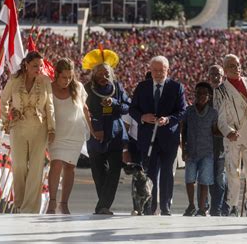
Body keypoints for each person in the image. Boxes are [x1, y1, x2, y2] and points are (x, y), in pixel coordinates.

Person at [129, 55, 187, 216]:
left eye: (161, 71)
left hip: (168, 137)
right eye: (154, 70)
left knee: (167, 173)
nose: (158, 73)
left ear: (167, 70)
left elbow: (183, 111)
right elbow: (132, 109)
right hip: (147, 138)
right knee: (150, 173)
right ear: (150, 70)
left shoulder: (176, 87)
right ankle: (149, 206)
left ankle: (166, 207)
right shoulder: (142, 87)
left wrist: (168, 119)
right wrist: (142, 117)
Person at [0, 51, 55, 213]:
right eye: (35, 66)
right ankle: (19, 203)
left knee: (36, 168)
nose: (38, 69)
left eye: (40, 66)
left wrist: (52, 128)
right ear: (26, 65)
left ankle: (30, 208)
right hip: (18, 126)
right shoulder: (14, 79)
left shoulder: (45, 81)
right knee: (19, 165)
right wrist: (6, 120)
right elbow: (4, 100)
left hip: (40, 127)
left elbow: (49, 105)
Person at [213, 54, 247, 217]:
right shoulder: (220, 90)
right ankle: (233, 204)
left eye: (238, 65)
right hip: (232, 136)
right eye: (232, 66)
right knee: (232, 172)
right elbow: (220, 117)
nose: (236, 68)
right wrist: (228, 131)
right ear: (225, 69)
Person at [46, 58, 93, 214]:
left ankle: (64, 203)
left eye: (70, 77)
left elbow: (85, 109)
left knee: (70, 168)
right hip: (57, 134)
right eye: (64, 77)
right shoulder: (49, 88)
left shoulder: (78, 87)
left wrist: (92, 131)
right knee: (56, 164)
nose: (67, 80)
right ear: (57, 75)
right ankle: (52, 202)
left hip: (75, 133)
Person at [85, 60, 131, 215]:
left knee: (114, 171)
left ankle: (103, 206)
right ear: (94, 74)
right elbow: (83, 111)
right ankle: (103, 206)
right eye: (99, 73)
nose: (103, 76)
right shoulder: (87, 89)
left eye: (106, 73)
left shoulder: (117, 87)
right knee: (99, 173)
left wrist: (114, 102)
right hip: (95, 135)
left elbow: (127, 107)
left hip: (115, 134)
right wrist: (95, 129)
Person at [182, 82, 218, 216]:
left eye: (204, 94)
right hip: (191, 151)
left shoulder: (213, 113)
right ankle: (191, 205)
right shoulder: (189, 111)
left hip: (207, 152)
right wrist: (184, 149)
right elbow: (184, 130)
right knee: (190, 179)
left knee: (204, 181)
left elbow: (215, 131)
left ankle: (202, 208)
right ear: (195, 95)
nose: (201, 96)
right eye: (198, 93)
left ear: (209, 96)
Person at [207, 64, 229, 216]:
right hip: (208, 142)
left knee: (220, 176)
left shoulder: (228, 94)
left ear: (223, 77)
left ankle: (219, 208)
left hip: (224, 141)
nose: (215, 77)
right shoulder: (204, 93)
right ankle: (218, 206)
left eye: (218, 75)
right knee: (210, 176)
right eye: (213, 74)